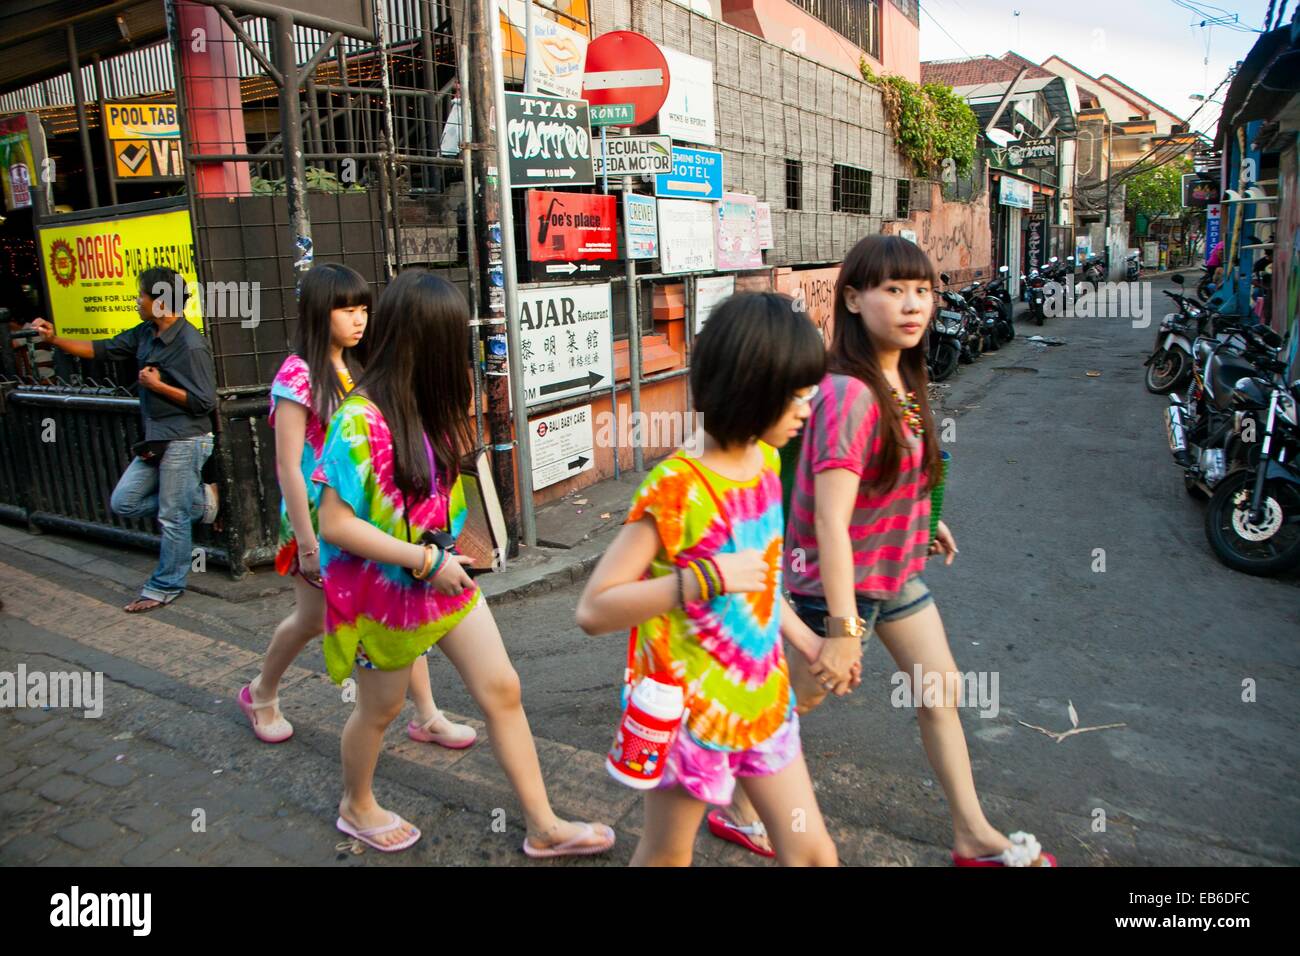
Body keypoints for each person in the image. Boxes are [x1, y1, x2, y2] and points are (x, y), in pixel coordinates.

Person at [741, 235, 1052, 867]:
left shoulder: (899, 376)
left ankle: (971, 834)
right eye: (893, 290)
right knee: (787, 706)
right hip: (834, 583)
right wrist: (843, 629)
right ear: (852, 298)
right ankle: (737, 805)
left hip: (894, 569)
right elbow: (829, 522)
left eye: (922, 291)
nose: (913, 305)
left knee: (940, 691)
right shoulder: (849, 393)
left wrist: (921, 519)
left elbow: (887, 475)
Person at [315, 268, 614, 856]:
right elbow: (335, 524)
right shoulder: (359, 419)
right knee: (380, 710)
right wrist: (425, 560)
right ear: (426, 345)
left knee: (502, 688)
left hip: (437, 575)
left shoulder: (426, 411)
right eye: (456, 341)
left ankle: (543, 825)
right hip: (383, 595)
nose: (466, 356)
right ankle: (357, 803)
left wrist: (444, 554)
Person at [576, 292, 840, 867]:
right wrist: (700, 580)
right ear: (751, 389)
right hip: (688, 719)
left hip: (763, 702)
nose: (807, 409)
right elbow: (593, 609)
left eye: (809, 393)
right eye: (795, 395)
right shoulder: (677, 488)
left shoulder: (768, 465)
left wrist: (809, 641)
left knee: (813, 852)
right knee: (668, 854)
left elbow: (761, 586)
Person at [240, 262, 474, 750]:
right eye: (346, 309)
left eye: (364, 308)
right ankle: (261, 693)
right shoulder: (298, 375)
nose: (359, 318)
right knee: (310, 619)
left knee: (399, 602)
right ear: (317, 313)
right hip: (320, 520)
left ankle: (427, 714)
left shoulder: (363, 366)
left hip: (369, 517)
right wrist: (306, 542)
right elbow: (287, 467)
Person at [31, 267, 219, 613]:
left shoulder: (190, 345)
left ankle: (165, 586)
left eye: (141, 296)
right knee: (125, 502)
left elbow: (206, 402)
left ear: (160, 302)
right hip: (158, 437)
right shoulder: (146, 333)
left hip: (185, 438)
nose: (137, 301)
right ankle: (203, 503)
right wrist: (54, 339)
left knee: (171, 517)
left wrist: (159, 387)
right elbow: (102, 349)